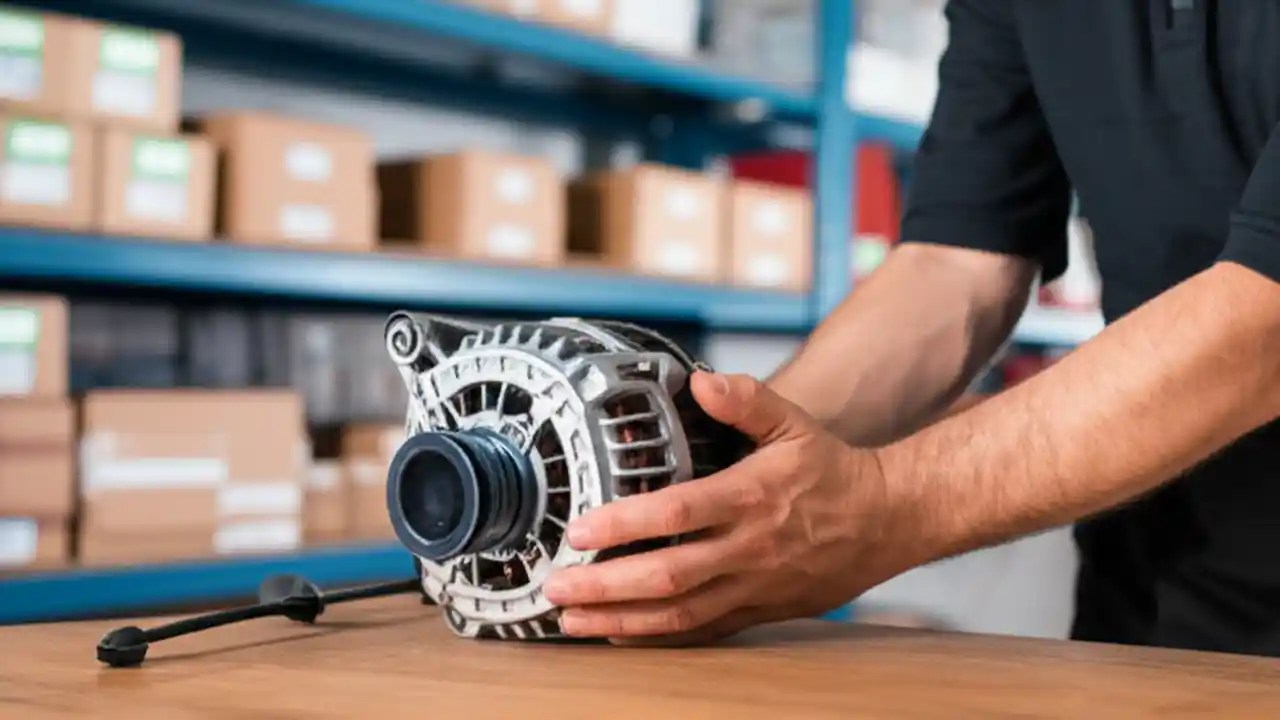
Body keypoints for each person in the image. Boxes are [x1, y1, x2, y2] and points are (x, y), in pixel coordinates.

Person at [544, 0, 1280, 656]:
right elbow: (955, 265)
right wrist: (718, 469)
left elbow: (1265, 323)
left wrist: (878, 508)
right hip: (1154, 598)